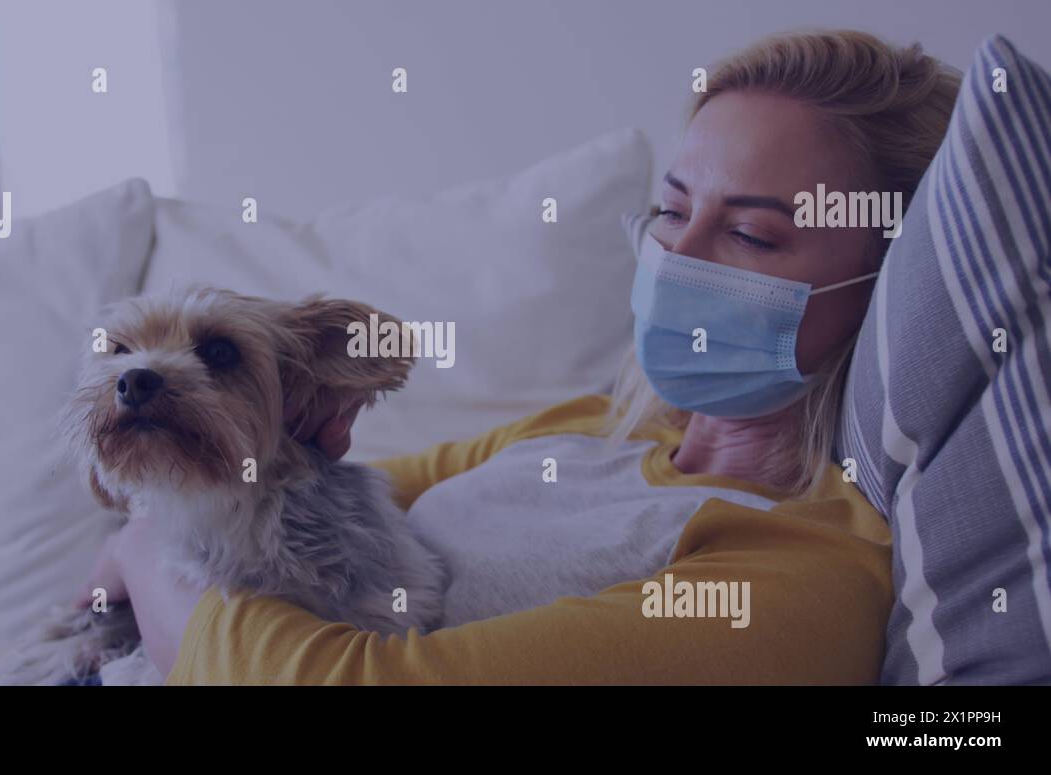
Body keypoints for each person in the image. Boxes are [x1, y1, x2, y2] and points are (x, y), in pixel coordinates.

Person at [97, 29, 960, 685]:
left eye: (749, 232)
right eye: (670, 210)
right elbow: (339, 490)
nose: (677, 258)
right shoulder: (598, 427)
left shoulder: (793, 576)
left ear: (890, 288)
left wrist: (142, 552)